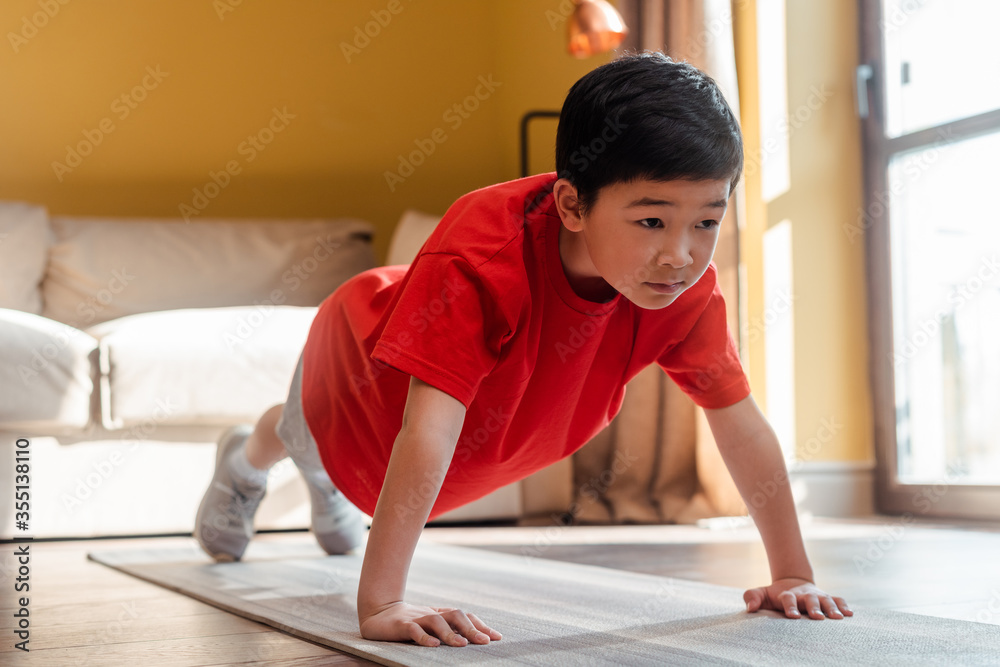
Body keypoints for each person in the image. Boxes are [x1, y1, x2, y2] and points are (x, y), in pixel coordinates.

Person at [194, 50, 853, 648]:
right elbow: (425, 429)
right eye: (651, 220)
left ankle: (323, 487)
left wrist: (792, 572)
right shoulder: (483, 256)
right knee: (298, 430)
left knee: (331, 483)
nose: (680, 254)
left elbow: (740, 422)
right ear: (571, 204)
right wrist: (382, 600)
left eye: (707, 221)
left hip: (452, 439)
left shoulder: (680, 290)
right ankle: (246, 463)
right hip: (361, 376)